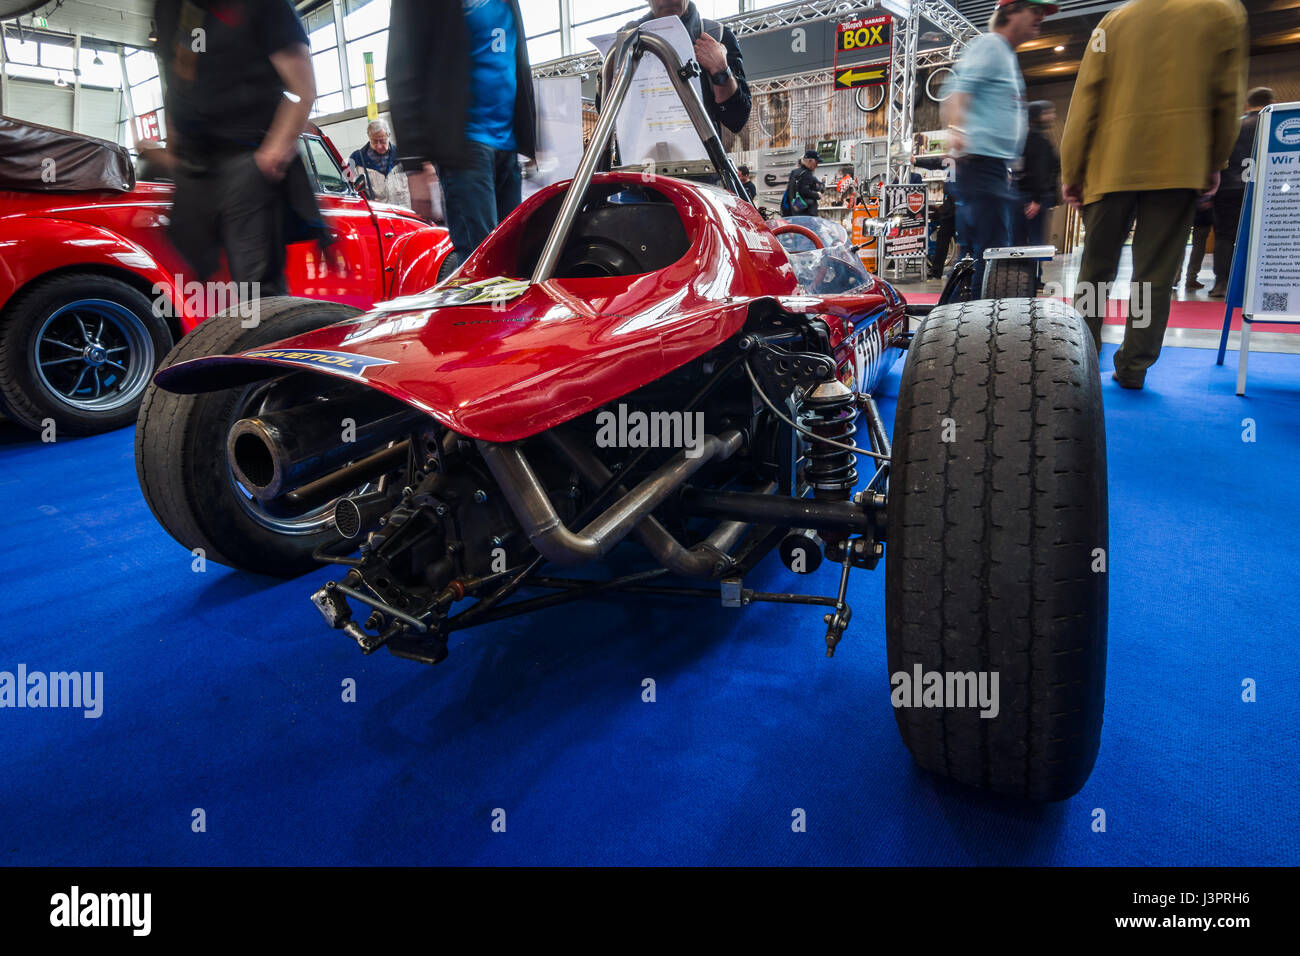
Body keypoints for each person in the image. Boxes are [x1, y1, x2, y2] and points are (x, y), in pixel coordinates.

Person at [1060, 0, 1247, 388]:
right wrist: (1215, 159)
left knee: (1094, 273)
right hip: (1177, 165)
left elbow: (1085, 100)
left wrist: (1072, 169)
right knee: (1151, 277)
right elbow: (1227, 96)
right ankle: (1133, 365)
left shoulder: (1112, 22)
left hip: (1109, 165)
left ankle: (1081, 353)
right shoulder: (1222, 13)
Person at [153, 0, 324, 297]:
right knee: (191, 285)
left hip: (246, 159)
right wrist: (173, 148)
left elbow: (302, 86)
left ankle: (269, 341)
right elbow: (176, 78)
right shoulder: (170, 8)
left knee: (256, 288)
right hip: (194, 169)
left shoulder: (262, 6)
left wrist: (272, 152)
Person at [387, 0, 536, 264]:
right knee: (482, 261)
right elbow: (403, 69)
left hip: (506, 143)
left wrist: (530, 139)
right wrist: (414, 166)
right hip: (465, 144)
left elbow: (517, 59)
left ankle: (502, 306)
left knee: (515, 257)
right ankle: (481, 306)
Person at [941, 0, 1055, 291]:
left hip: (994, 168)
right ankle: (976, 327)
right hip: (980, 164)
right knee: (991, 254)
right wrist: (957, 131)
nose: (1040, 17)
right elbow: (956, 92)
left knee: (986, 253)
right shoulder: (991, 46)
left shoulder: (1005, 54)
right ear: (1012, 11)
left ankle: (965, 322)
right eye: (1035, 10)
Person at [629, 1, 752, 138]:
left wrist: (720, 71)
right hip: (638, 155)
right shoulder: (626, 39)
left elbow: (737, 120)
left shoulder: (717, 36)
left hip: (702, 154)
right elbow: (606, 110)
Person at [1210, 86, 1275, 297]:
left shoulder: (1234, 126)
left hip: (1228, 188)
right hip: (1261, 189)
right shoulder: (1272, 124)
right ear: (1271, 102)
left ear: (1248, 104)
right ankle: (1253, 284)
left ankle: (1221, 283)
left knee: (1224, 237)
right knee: (1258, 236)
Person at [347, 120, 411, 208]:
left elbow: (415, 183)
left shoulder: (403, 154)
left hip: (404, 212)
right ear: (369, 137)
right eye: (374, 141)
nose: (379, 146)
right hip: (378, 214)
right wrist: (364, 200)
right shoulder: (355, 159)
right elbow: (346, 187)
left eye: (383, 141)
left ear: (389, 135)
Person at [1173, 200, 1214, 290]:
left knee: (1179, 241)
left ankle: (1174, 277)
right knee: (1199, 242)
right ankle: (1191, 278)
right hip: (1203, 203)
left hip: (1179, 200)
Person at [781, 151, 823, 217]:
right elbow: (804, 191)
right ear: (810, 161)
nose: (817, 165)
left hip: (794, 210)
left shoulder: (794, 172)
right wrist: (817, 195)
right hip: (806, 213)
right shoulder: (807, 174)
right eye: (816, 162)